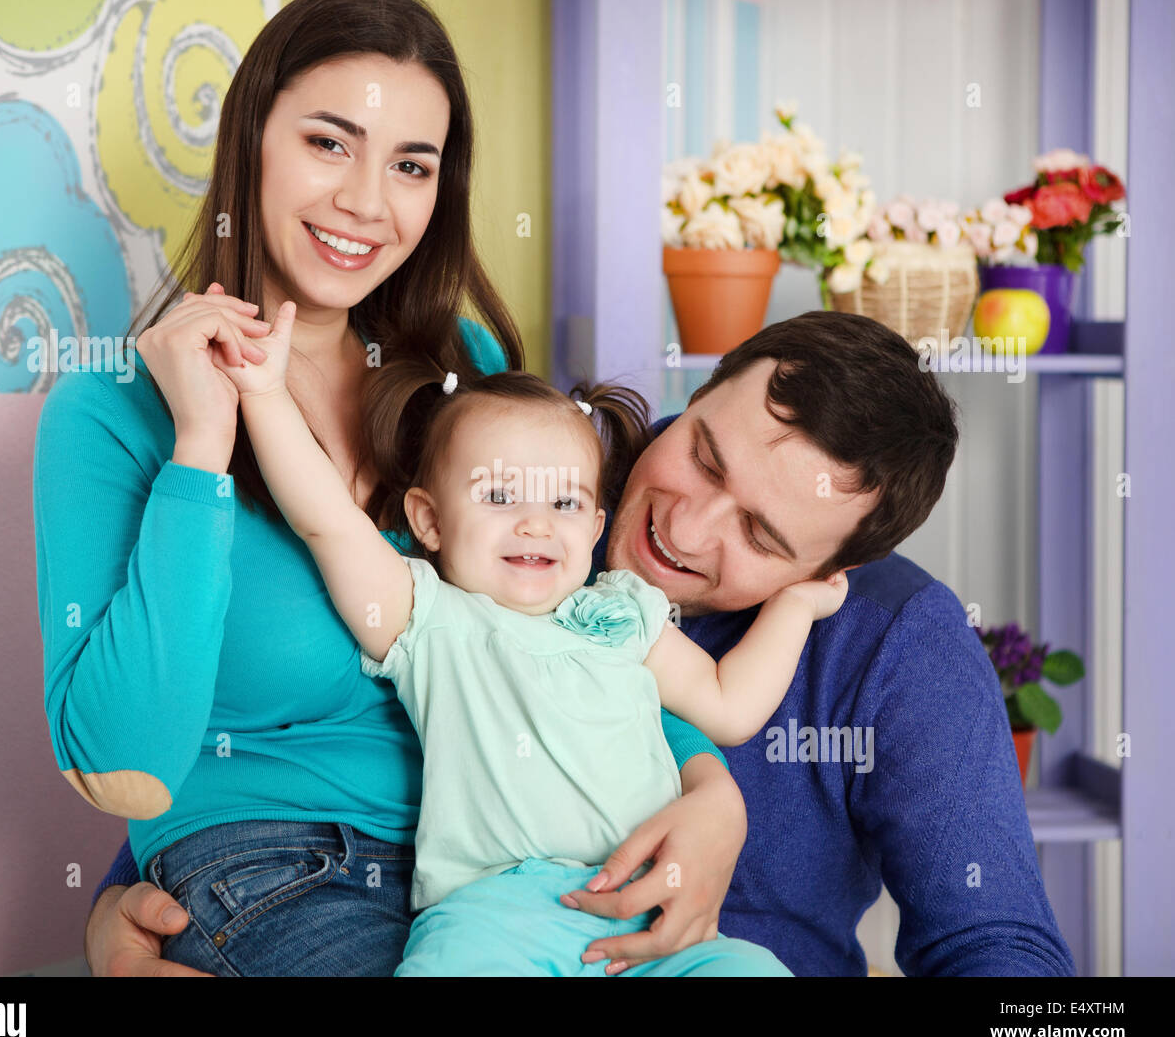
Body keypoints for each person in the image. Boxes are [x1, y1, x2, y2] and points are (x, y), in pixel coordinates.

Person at [35, 0, 745, 979]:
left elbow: (550, 626)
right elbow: (125, 764)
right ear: (251, 143)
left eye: (410, 164)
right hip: (273, 869)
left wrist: (712, 788)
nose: (369, 202)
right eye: (331, 142)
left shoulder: (466, 369)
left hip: (494, 873)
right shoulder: (112, 417)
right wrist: (202, 445)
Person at [85, 310, 1076, 976]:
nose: (684, 532)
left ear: (829, 575)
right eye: (700, 452)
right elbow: (290, 777)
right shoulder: (524, 522)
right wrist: (121, 911)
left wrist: (714, 800)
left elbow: (996, 943)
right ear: (696, 391)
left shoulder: (899, 640)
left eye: (761, 536)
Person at [202, 302, 851, 974]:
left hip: (641, 915)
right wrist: (266, 393)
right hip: (493, 918)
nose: (535, 524)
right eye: (499, 496)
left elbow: (731, 703)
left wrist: (797, 606)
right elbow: (327, 522)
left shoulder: (622, 617)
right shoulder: (428, 617)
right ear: (429, 519)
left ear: (595, 526)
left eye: (563, 502)